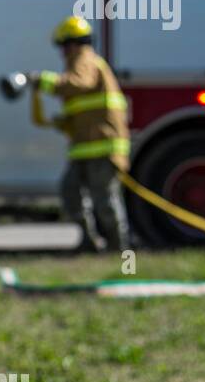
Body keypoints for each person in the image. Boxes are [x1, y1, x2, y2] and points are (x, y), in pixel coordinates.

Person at [30, 15, 131, 254]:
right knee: (70, 193)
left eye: (64, 46)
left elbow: (78, 84)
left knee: (104, 200)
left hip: (102, 147)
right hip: (84, 147)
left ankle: (119, 248)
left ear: (75, 43)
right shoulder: (76, 62)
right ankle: (90, 243)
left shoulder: (85, 60)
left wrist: (43, 80)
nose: (62, 52)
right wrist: (64, 122)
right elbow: (84, 107)